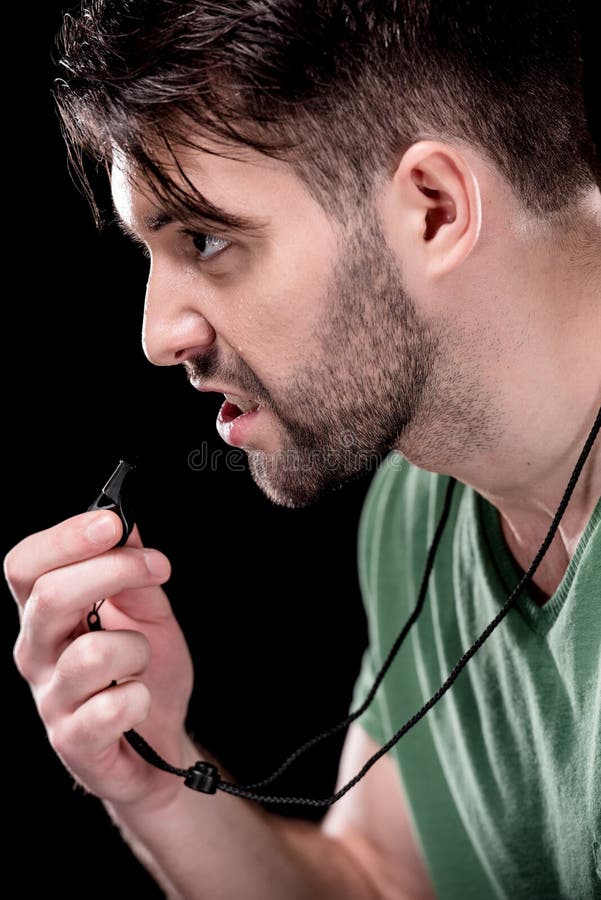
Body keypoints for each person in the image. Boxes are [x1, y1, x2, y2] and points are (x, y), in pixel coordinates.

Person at [5, 1, 600, 897]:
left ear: (434, 209)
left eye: (206, 239)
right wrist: (156, 780)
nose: (158, 334)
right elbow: (375, 883)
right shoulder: (422, 503)